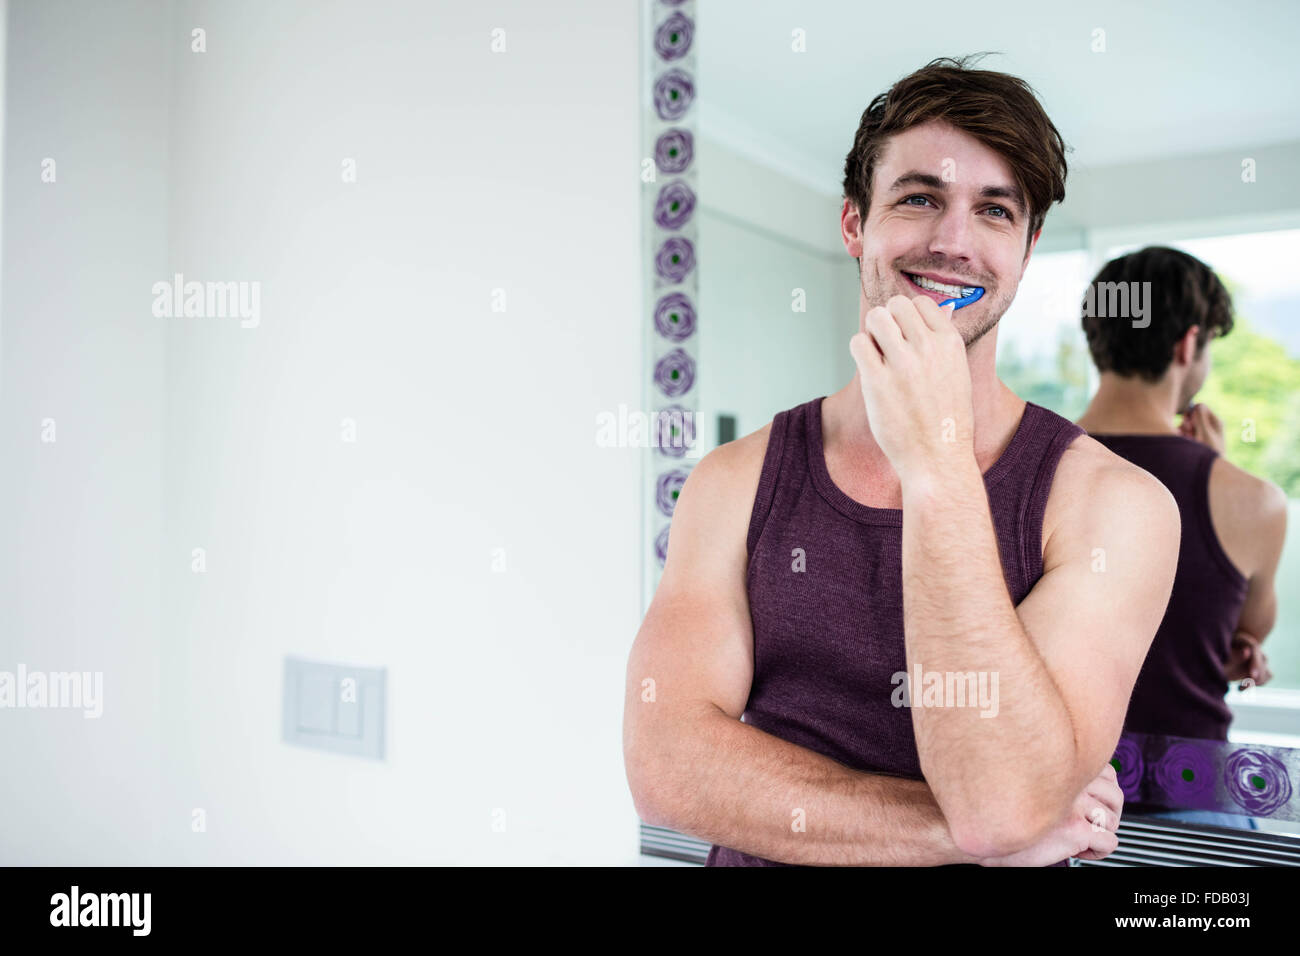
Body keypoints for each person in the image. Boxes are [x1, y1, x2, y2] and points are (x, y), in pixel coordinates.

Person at [622, 55, 1180, 866]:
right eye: (920, 198)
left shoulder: (1112, 506)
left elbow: (1004, 798)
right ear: (855, 224)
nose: (953, 242)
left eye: (994, 211)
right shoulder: (735, 480)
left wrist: (937, 462)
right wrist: (964, 830)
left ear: (1025, 250)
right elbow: (667, 768)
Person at [1075, 247, 1288, 830]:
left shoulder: (1023, 466)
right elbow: (1244, 637)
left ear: (1099, 338)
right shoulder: (1255, 501)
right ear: (1188, 345)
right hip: (1193, 802)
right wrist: (1215, 473)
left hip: (1060, 800)